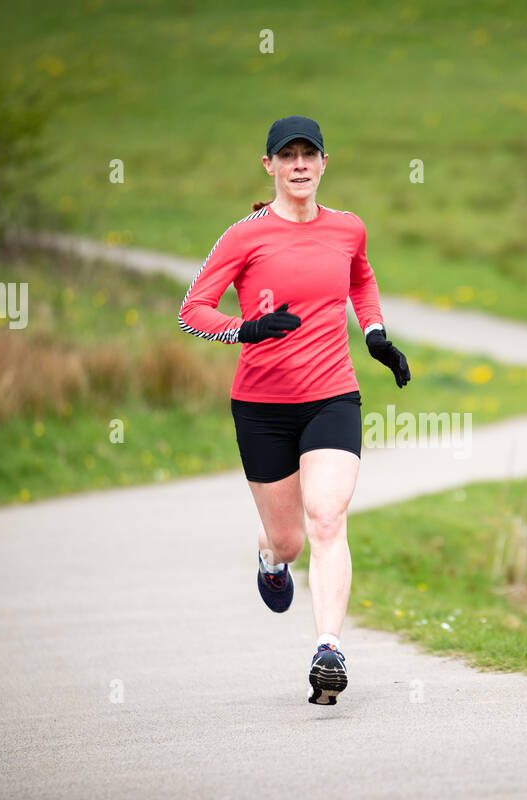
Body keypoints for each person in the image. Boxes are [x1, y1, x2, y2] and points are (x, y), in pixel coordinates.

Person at [177, 115, 411, 705]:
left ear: (325, 164)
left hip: (333, 395)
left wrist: (376, 333)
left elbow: (362, 278)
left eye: (310, 154)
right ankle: (269, 556)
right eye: (288, 156)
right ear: (270, 167)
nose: (300, 164)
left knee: (327, 516)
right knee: (290, 541)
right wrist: (247, 329)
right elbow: (193, 309)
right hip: (261, 407)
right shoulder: (243, 236)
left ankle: (328, 647)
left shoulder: (348, 228)